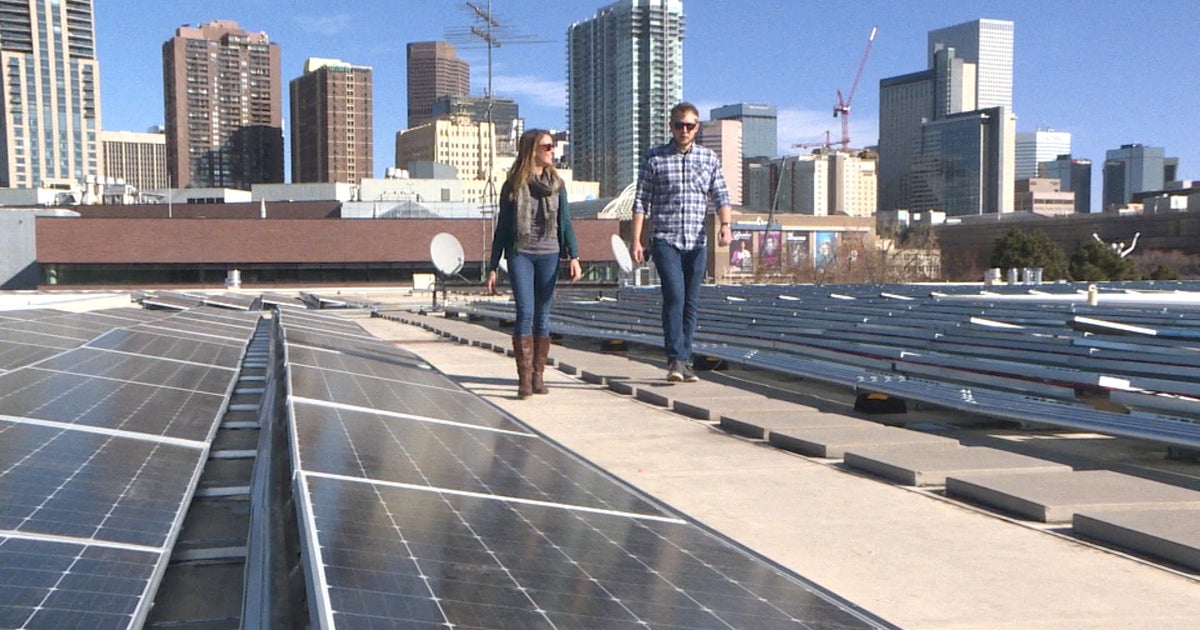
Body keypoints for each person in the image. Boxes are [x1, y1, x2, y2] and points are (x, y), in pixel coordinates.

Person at [631, 102, 732, 382]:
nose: (684, 130)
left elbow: (721, 195)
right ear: (671, 127)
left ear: (697, 128)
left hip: (696, 241)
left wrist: (726, 225)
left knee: (691, 302)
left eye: (690, 126)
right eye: (679, 125)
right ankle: (675, 359)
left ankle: (685, 360)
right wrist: (636, 240)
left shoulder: (709, 159)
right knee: (674, 296)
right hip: (666, 238)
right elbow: (641, 202)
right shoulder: (655, 158)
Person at [487, 129, 582, 398]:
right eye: (547, 147)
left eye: (552, 147)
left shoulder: (557, 185)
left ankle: (539, 375)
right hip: (521, 253)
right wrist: (493, 265)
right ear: (532, 151)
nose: (552, 151)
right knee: (525, 312)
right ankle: (524, 378)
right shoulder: (513, 186)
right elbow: (503, 227)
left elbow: (565, 221)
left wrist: (573, 256)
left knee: (543, 315)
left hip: (550, 253)